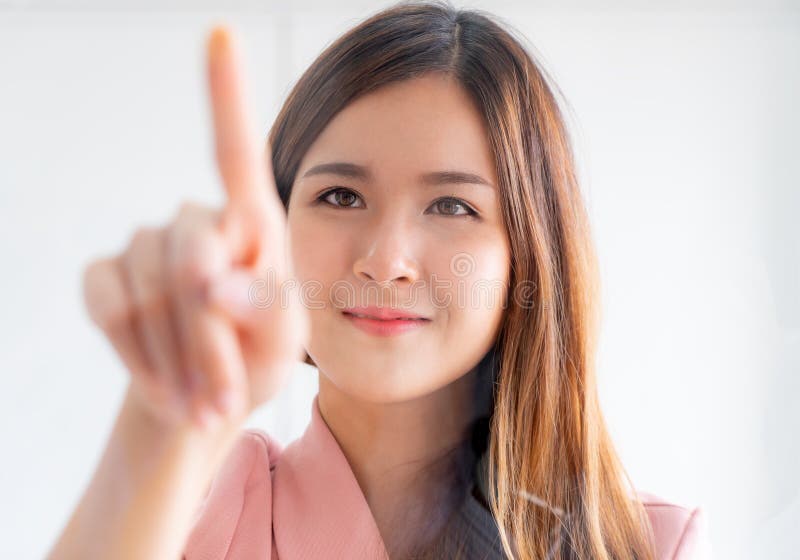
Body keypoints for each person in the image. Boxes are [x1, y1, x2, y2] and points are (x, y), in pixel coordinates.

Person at [47, 2, 712, 559]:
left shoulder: (642, 545)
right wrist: (159, 424)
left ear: (528, 258)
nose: (385, 259)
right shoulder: (187, 525)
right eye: (340, 196)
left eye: (453, 206)